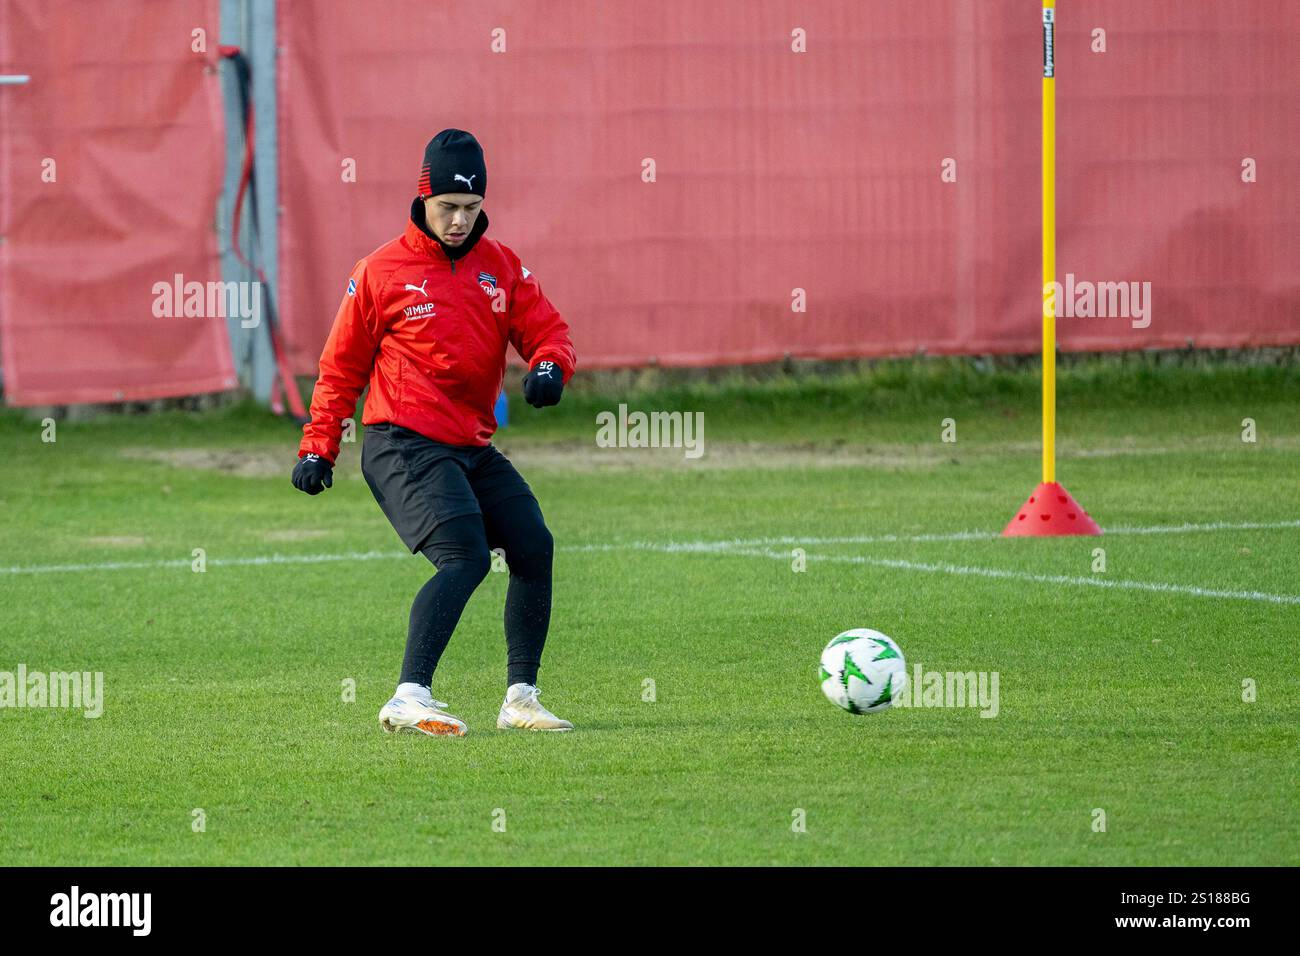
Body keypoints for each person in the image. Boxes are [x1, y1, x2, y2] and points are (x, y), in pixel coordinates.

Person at [291, 128, 576, 737]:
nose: (458, 221)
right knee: (465, 558)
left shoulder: (500, 267)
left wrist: (551, 368)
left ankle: (520, 699)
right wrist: (319, 447)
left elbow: (549, 331)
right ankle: (408, 695)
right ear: (422, 199)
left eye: (470, 209)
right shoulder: (380, 271)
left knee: (532, 545)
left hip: (470, 445)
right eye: (448, 207)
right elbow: (340, 367)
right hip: (402, 441)